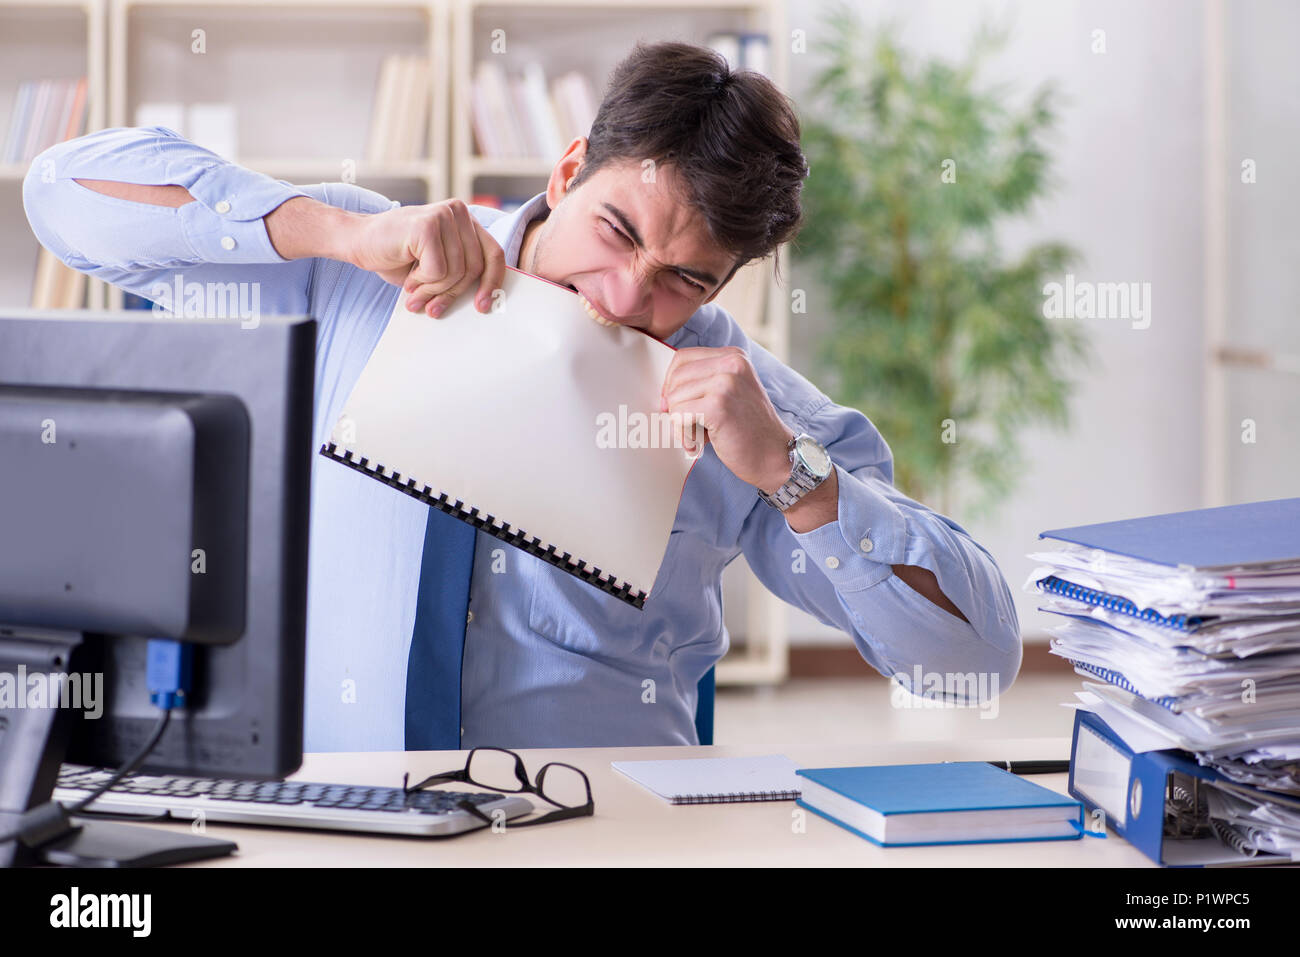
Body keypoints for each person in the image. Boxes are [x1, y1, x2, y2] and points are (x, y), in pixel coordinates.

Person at [23, 40, 1020, 750]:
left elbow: (972, 666)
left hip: (591, 838)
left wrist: (795, 479)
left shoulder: (741, 401)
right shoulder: (361, 259)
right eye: (621, 234)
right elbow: (61, 196)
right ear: (570, 167)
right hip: (331, 814)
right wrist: (328, 232)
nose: (629, 297)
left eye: (689, 279)